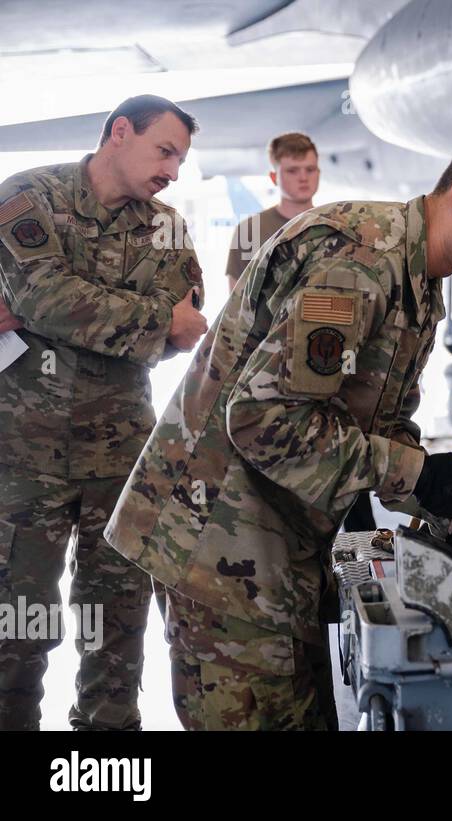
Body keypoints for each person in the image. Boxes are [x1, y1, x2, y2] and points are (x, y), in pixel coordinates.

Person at [104, 138, 452, 730]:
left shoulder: (417, 280)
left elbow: (376, 426)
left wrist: (449, 504)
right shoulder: (360, 260)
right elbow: (263, 419)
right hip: (217, 545)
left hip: (278, 547)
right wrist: (419, 475)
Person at [0, 95, 208, 730]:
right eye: (164, 151)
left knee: (115, 632)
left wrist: (46, 312)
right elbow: (47, 296)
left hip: (121, 459)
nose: (172, 171)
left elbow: (186, 328)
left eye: (180, 159)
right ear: (120, 132)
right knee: (17, 627)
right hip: (23, 458)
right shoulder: (29, 197)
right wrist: (144, 318)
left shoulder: (167, 226)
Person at [226, 132, 321, 293]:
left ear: (318, 172)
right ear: (273, 177)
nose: (303, 177)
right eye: (292, 170)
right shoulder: (249, 231)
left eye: (310, 169)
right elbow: (237, 300)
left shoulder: (334, 227)